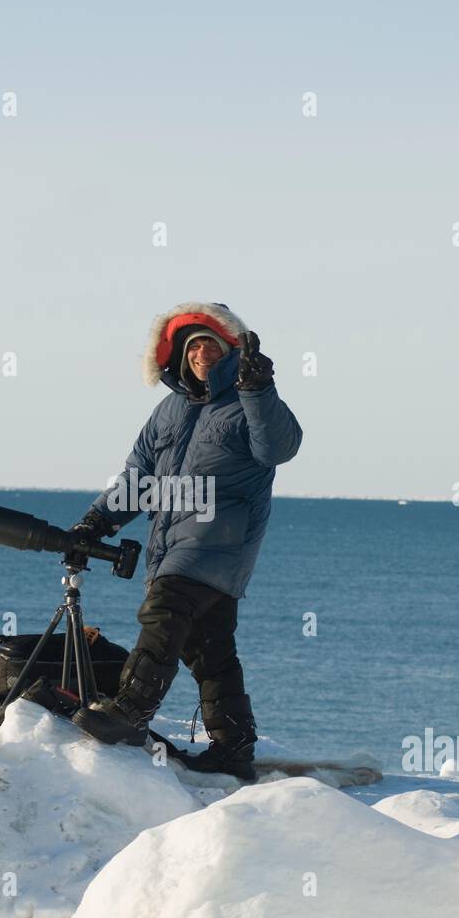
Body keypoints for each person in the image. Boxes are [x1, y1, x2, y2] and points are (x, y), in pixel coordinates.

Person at [70, 302, 303, 778]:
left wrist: (260, 390)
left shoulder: (249, 402)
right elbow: (138, 476)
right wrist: (96, 523)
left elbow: (279, 447)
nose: (201, 353)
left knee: (165, 610)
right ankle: (233, 747)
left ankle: (130, 710)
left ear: (229, 350)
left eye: (211, 344)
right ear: (178, 353)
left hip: (219, 539)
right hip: (172, 544)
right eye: (193, 344)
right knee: (209, 649)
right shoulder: (169, 410)